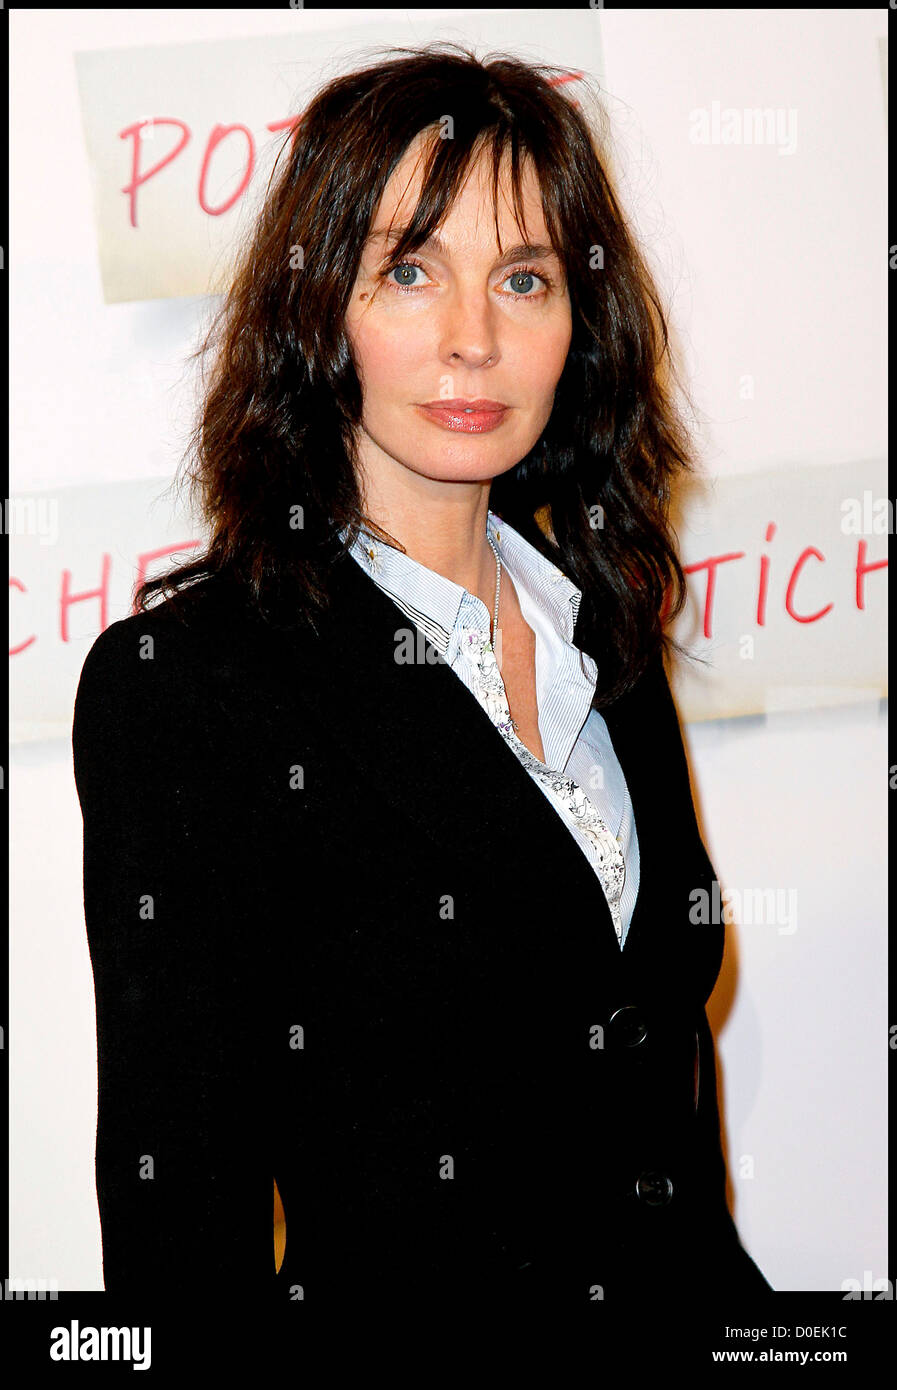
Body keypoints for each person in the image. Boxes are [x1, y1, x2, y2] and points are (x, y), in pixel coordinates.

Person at [72, 42, 773, 1305]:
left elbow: (665, 1114)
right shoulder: (190, 687)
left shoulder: (599, 635)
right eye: (408, 270)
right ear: (317, 309)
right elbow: (182, 1218)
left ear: (581, 318)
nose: (473, 340)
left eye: (523, 278)